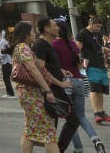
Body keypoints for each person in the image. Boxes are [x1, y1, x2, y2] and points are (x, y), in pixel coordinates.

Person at [5, 21, 59, 153]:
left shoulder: (20, 47)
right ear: (26, 33)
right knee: (48, 130)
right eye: (32, 31)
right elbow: (33, 69)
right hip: (31, 94)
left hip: (26, 93)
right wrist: (47, 90)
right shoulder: (23, 47)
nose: (35, 34)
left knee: (30, 131)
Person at [52, 21, 106, 153]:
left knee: (69, 119)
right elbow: (79, 65)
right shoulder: (72, 44)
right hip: (79, 81)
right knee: (81, 116)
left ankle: (78, 147)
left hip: (65, 82)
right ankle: (96, 140)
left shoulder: (53, 45)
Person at [31, 18, 80, 153]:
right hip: (51, 90)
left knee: (56, 125)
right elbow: (41, 70)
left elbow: (49, 66)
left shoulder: (49, 44)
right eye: (54, 26)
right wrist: (60, 83)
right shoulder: (40, 45)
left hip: (56, 88)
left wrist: (60, 71)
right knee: (69, 121)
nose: (58, 28)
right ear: (47, 29)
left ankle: (57, 149)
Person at [76, 17, 110, 124]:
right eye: (97, 26)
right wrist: (79, 65)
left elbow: (97, 46)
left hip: (100, 63)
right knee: (94, 87)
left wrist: (104, 49)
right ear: (91, 23)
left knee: (101, 88)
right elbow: (77, 50)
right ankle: (96, 113)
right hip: (90, 64)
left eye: (100, 27)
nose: (99, 28)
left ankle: (101, 112)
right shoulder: (82, 33)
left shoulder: (97, 34)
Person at [0, 30, 15, 98]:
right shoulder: (7, 42)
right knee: (7, 78)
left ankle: (10, 93)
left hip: (5, 62)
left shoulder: (3, 41)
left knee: (6, 78)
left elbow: (2, 52)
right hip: (8, 61)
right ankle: (9, 93)